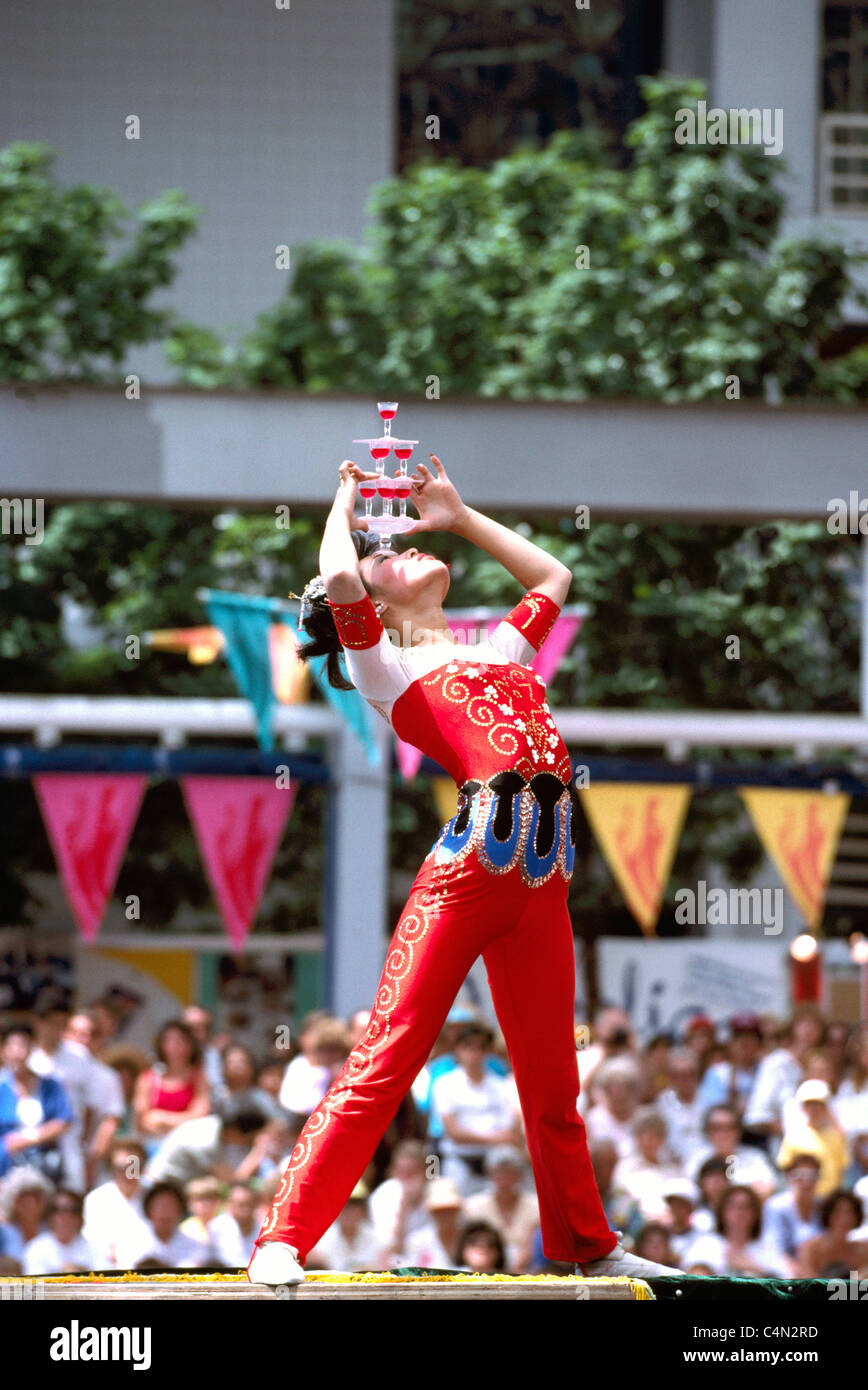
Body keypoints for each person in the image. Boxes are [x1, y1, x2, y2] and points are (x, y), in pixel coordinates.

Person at [249, 456, 678, 1286]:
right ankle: (282, 1238)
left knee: (554, 1081)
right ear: (366, 609)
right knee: (388, 1056)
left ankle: (586, 1243)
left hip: (543, 884)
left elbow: (556, 572)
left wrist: (458, 515)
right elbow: (337, 570)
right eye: (386, 557)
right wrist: (345, 499)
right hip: (466, 877)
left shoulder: (503, 654)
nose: (399, 549)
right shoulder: (389, 668)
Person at [431, 1023, 522, 1195]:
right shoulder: (444, 1085)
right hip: (460, 1163)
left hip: (498, 1164)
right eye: (467, 1046)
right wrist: (495, 1139)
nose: (474, 1052)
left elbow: (512, 1129)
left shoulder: (500, 1085)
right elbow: (454, 1132)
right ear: (457, 1050)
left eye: (480, 1047)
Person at [0, 1022, 72, 1182]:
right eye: (11, 1047)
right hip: (5, 1166)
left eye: (23, 1046)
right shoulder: (1, 1087)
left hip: (42, 1165)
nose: (18, 1053)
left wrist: (28, 1138)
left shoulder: (50, 1085)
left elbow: (64, 1120)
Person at [133, 1020, 211, 1145]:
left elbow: (200, 1114)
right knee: (130, 1162)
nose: (173, 1045)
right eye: (168, 1040)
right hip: (152, 1145)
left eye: (180, 1040)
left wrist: (162, 1118)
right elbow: (142, 1120)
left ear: (190, 1044)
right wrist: (182, 1120)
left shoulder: (200, 1077)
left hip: (186, 1146)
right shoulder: (148, 1078)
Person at [463, 1145, 540, 1273]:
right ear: (490, 1175)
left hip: (526, 1269)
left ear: (519, 1176)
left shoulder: (535, 1206)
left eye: (509, 1173)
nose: (504, 1180)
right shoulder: (473, 1207)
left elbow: (533, 1244)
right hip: (486, 1268)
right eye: (499, 1173)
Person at [682, 1185, 787, 1278]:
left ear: (755, 1214)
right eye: (733, 1206)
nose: (739, 1212)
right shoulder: (707, 1243)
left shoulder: (767, 1247)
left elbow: (784, 1282)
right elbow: (693, 1277)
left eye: (746, 1207)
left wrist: (752, 1267)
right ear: (722, 1212)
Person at [82, 1137, 151, 1270]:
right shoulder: (97, 1199)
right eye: (120, 1168)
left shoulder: (155, 1196)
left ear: (142, 1168)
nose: (128, 1173)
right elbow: (94, 1243)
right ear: (112, 1168)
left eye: (133, 1166)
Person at [776, 1080, 849, 1197]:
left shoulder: (836, 1137)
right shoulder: (793, 1136)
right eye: (809, 1105)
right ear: (803, 1108)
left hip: (830, 1200)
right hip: (804, 1200)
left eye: (819, 1105)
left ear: (826, 1108)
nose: (814, 1110)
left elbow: (841, 1171)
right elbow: (786, 1169)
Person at [115, 1181, 212, 1269]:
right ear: (148, 1210)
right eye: (160, 1206)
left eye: (170, 1206)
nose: (165, 1212)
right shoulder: (132, 1242)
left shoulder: (194, 1246)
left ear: (180, 1211)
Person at [687, 1105, 777, 1199]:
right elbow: (691, 1195)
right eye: (717, 1128)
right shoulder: (698, 1159)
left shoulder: (755, 1157)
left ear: (739, 1131)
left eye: (729, 1127)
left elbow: (768, 1188)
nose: (723, 1134)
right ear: (707, 1132)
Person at [761, 1152, 824, 1277]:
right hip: (786, 1272)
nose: (806, 1182)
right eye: (799, 1176)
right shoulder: (776, 1206)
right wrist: (801, 1273)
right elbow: (775, 1249)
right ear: (789, 1178)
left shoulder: (824, 1205)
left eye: (812, 1176)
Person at [23, 1189, 95, 1275]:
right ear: (50, 1216)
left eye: (73, 1210)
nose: (65, 1216)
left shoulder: (93, 1248)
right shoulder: (35, 1248)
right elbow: (35, 1285)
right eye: (58, 1209)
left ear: (80, 1217)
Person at [399, 1177, 465, 1270]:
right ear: (431, 1212)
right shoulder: (417, 1241)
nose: (445, 1215)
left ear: (457, 1210)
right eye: (439, 1211)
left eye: (449, 1209)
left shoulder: (470, 1239)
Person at [209, 1182, 261, 1268]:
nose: (245, 1210)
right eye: (240, 1205)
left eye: (249, 1204)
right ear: (229, 1205)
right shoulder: (217, 1227)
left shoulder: (265, 1228)